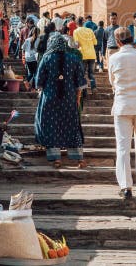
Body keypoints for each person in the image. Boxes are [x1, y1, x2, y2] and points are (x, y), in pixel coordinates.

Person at [108, 27, 136, 199]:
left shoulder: (113, 58)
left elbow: (112, 82)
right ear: (132, 39)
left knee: (123, 148)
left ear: (118, 42)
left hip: (123, 106)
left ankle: (126, 186)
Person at [34, 35, 87, 169]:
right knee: (72, 126)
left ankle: (56, 159)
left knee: (51, 126)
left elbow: (39, 82)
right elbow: (80, 83)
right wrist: (77, 99)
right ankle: (79, 159)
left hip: (50, 98)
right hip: (69, 98)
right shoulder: (74, 59)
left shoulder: (46, 58)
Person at [73, 22, 98, 93]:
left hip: (83, 55)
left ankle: (84, 91)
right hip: (92, 54)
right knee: (91, 74)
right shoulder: (90, 30)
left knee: (82, 73)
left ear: (77, 24)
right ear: (83, 23)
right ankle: (94, 88)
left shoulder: (76, 31)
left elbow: (77, 44)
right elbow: (95, 42)